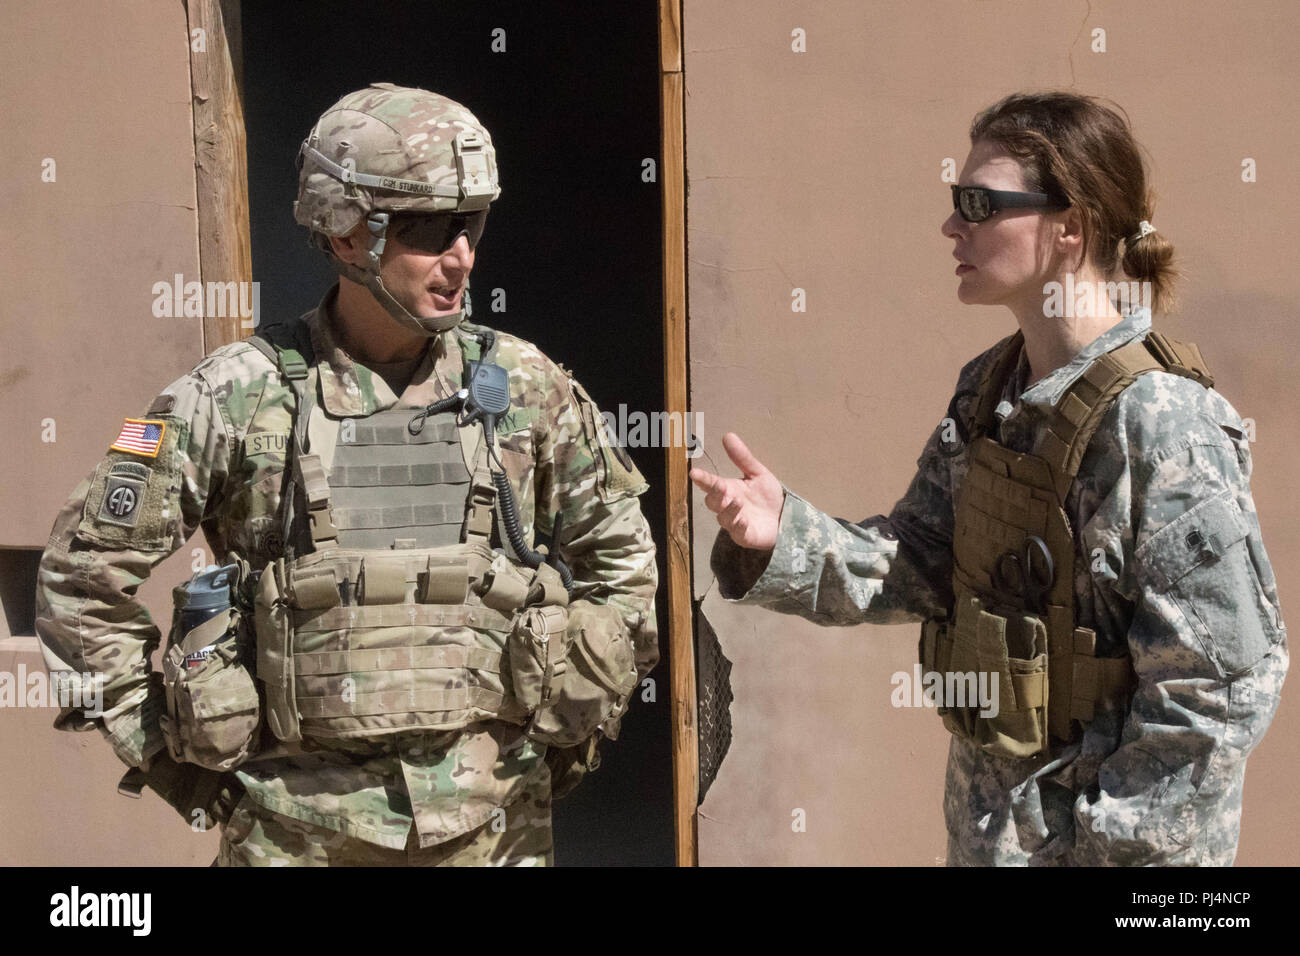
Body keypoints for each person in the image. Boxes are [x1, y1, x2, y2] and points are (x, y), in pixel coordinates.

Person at [34, 83, 659, 866]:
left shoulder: (526, 388)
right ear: (344, 234)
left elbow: (624, 565)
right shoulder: (232, 395)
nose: (461, 255)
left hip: (497, 834)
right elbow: (79, 575)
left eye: (472, 224)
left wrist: (579, 724)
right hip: (293, 838)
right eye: (429, 227)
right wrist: (168, 757)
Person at [691, 91, 1287, 866]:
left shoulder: (1164, 423)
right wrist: (785, 537)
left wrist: (1108, 853)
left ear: (1069, 228)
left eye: (979, 203)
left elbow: (1220, 687)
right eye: (955, 201)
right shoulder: (991, 389)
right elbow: (925, 561)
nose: (952, 225)